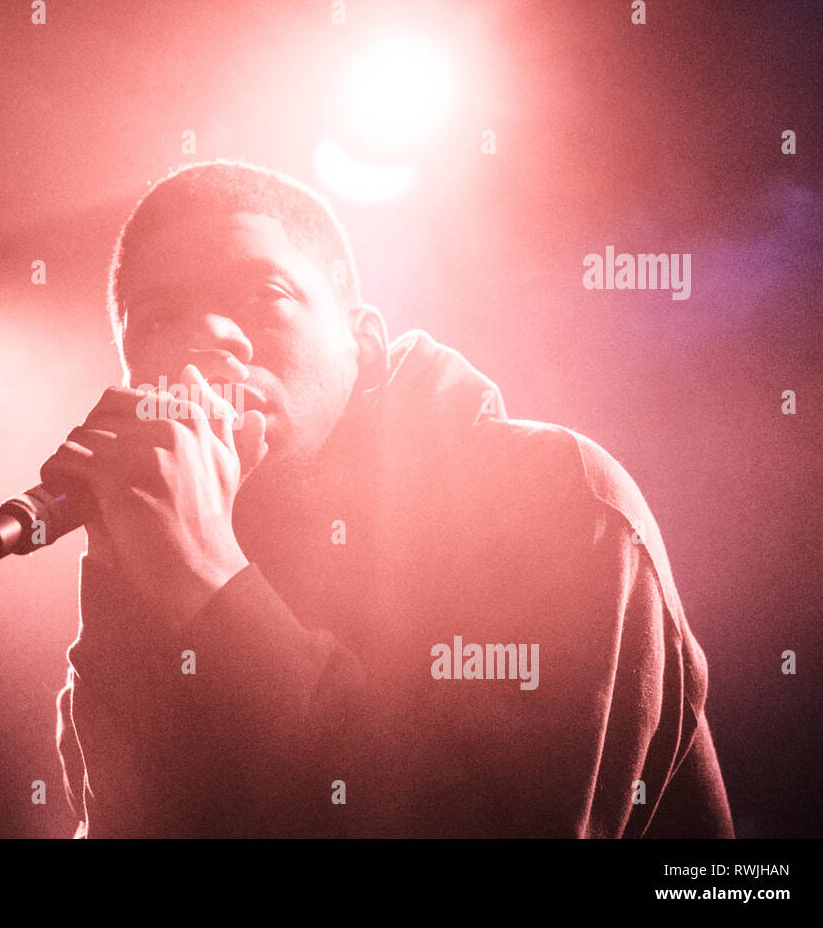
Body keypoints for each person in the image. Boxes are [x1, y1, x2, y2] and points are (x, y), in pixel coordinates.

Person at [44, 159, 734, 838]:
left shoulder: (552, 493)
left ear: (363, 345)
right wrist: (118, 572)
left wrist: (211, 587)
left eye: (265, 294)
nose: (209, 335)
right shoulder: (170, 574)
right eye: (160, 317)